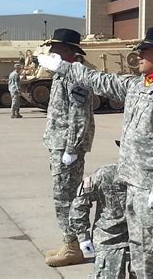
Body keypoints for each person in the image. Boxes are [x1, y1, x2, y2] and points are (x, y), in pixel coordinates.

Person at [39, 27, 153, 278]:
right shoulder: (137, 85)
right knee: (137, 256)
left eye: (146, 50)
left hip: (150, 191)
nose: (138, 54)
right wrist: (64, 67)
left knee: (152, 263)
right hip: (131, 184)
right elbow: (99, 80)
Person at [70, 162, 153, 279]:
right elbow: (79, 204)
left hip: (144, 238)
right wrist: (82, 236)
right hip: (110, 238)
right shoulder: (105, 175)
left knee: (152, 272)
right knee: (109, 273)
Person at [42, 28, 96, 267]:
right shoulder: (61, 72)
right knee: (63, 195)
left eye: (55, 47)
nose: (51, 50)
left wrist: (72, 149)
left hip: (67, 146)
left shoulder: (75, 74)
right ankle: (70, 241)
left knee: (65, 197)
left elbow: (79, 115)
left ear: (67, 49)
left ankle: (73, 246)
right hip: (59, 143)